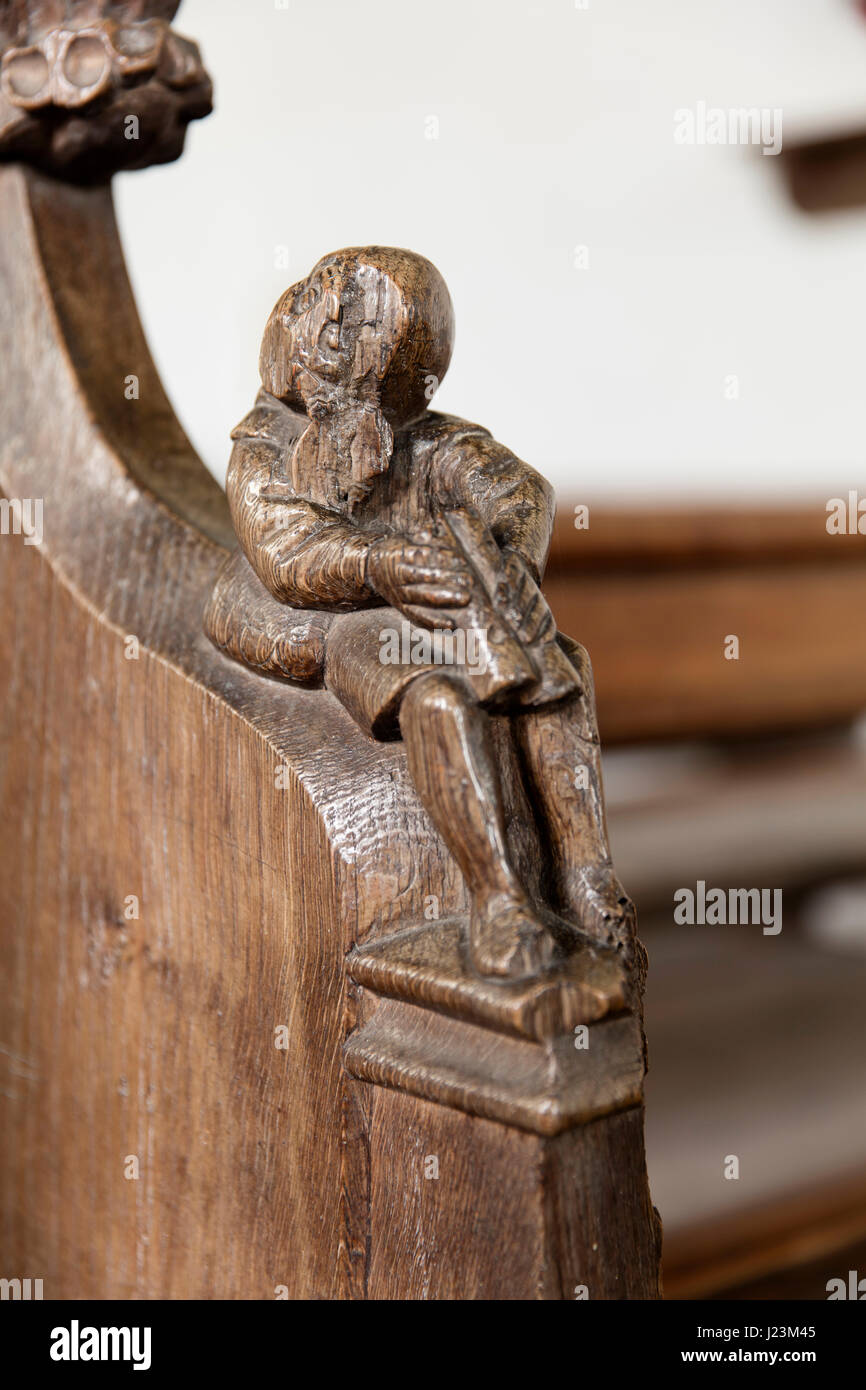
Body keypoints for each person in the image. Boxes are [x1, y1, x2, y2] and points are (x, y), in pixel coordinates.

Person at [210, 246, 634, 979]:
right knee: (435, 694)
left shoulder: (420, 437)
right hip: (328, 618)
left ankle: (588, 879)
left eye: (394, 411)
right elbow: (287, 553)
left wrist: (506, 558)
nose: (380, 451)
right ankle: (501, 901)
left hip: (430, 592)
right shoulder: (264, 454)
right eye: (360, 410)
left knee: (557, 664)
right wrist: (380, 564)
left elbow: (520, 490)